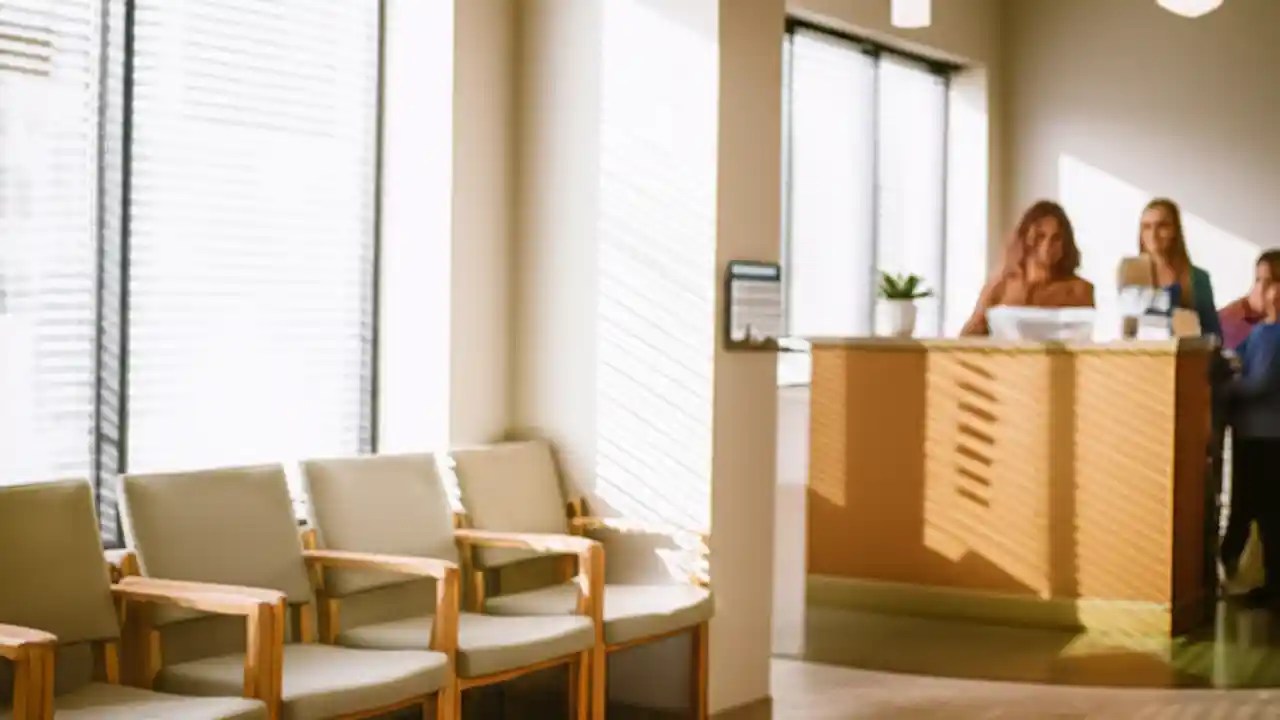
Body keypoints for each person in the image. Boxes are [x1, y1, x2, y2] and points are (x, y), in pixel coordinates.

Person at [1222, 281, 1280, 605]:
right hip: (1249, 433)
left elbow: (1260, 383)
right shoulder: (1260, 332)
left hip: (1269, 435)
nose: (1263, 290)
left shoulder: (1277, 335)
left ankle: (1271, 585)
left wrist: (1226, 390)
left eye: (1271, 282)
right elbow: (1235, 361)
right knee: (1248, 504)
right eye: (1259, 282)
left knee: (1268, 511)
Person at [961, 200, 1094, 336]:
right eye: (1040, 236)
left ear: (1065, 244)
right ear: (1025, 238)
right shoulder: (1001, 287)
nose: (1047, 245)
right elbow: (968, 340)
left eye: (1056, 238)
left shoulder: (1079, 290)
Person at [1136, 198, 1221, 340]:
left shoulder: (1197, 278)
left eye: (1162, 226)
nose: (1153, 234)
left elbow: (1213, 334)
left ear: (1175, 230)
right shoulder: (1131, 274)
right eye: (1147, 227)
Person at [1219, 250, 1280, 350]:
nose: (1260, 289)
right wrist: (1270, 322)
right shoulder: (1231, 318)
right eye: (1258, 280)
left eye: (1269, 282)